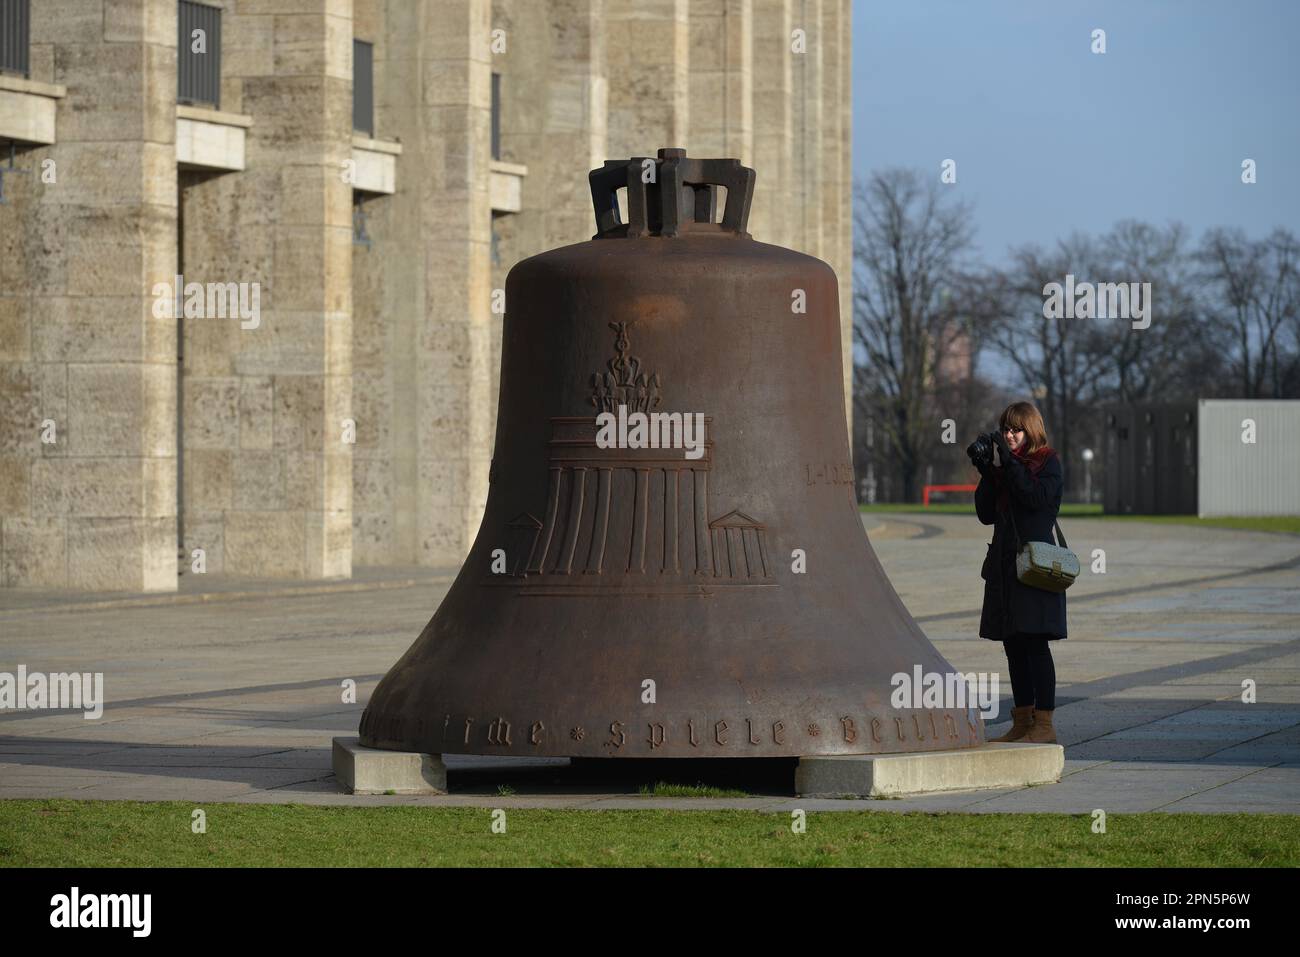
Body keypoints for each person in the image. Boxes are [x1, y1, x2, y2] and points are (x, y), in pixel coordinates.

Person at [968, 401, 1067, 744]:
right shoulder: (1006, 470)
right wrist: (987, 472)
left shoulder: (1047, 462)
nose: (1009, 436)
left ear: (1031, 430)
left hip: (1035, 567)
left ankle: (1044, 724)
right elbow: (985, 514)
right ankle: (1023, 721)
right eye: (1005, 430)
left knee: (1035, 643)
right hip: (1005, 566)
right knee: (1013, 644)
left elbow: (1034, 499)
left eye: (1016, 430)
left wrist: (1009, 464)